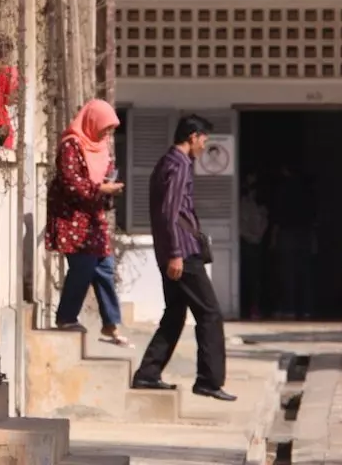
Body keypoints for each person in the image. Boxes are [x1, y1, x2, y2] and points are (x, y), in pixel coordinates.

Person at [132, 114, 236, 402]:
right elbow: (170, 212)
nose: (205, 145)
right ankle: (209, 380)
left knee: (175, 314)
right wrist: (176, 253)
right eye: (204, 139)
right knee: (210, 313)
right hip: (183, 253)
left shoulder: (172, 163)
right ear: (193, 136)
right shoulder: (177, 165)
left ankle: (148, 374)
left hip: (176, 251)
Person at [45, 98, 130, 346]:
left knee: (104, 266)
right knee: (83, 267)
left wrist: (109, 187)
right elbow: (71, 182)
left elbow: (105, 172)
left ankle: (111, 324)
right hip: (73, 218)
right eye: (104, 127)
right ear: (92, 122)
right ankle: (67, 317)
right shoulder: (72, 145)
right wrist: (102, 189)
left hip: (93, 218)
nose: (106, 133)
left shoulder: (101, 147)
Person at [269, 164, 318, 320]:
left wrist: (273, 239)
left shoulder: (282, 191)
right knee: (305, 274)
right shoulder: (308, 192)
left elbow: (276, 217)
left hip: (287, 235)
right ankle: (306, 309)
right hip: (304, 235)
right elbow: (314, 218)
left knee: (287, 274)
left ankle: (288, 308)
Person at [239, 174, 268, 320]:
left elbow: (264, 223)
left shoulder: (261, 205)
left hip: (257, 244)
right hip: (246, 243)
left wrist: (257, 237)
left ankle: (255, 307)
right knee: (247, 277)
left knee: (256, 278)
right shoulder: (242, 204)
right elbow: (239, 226)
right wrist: (249, 237)